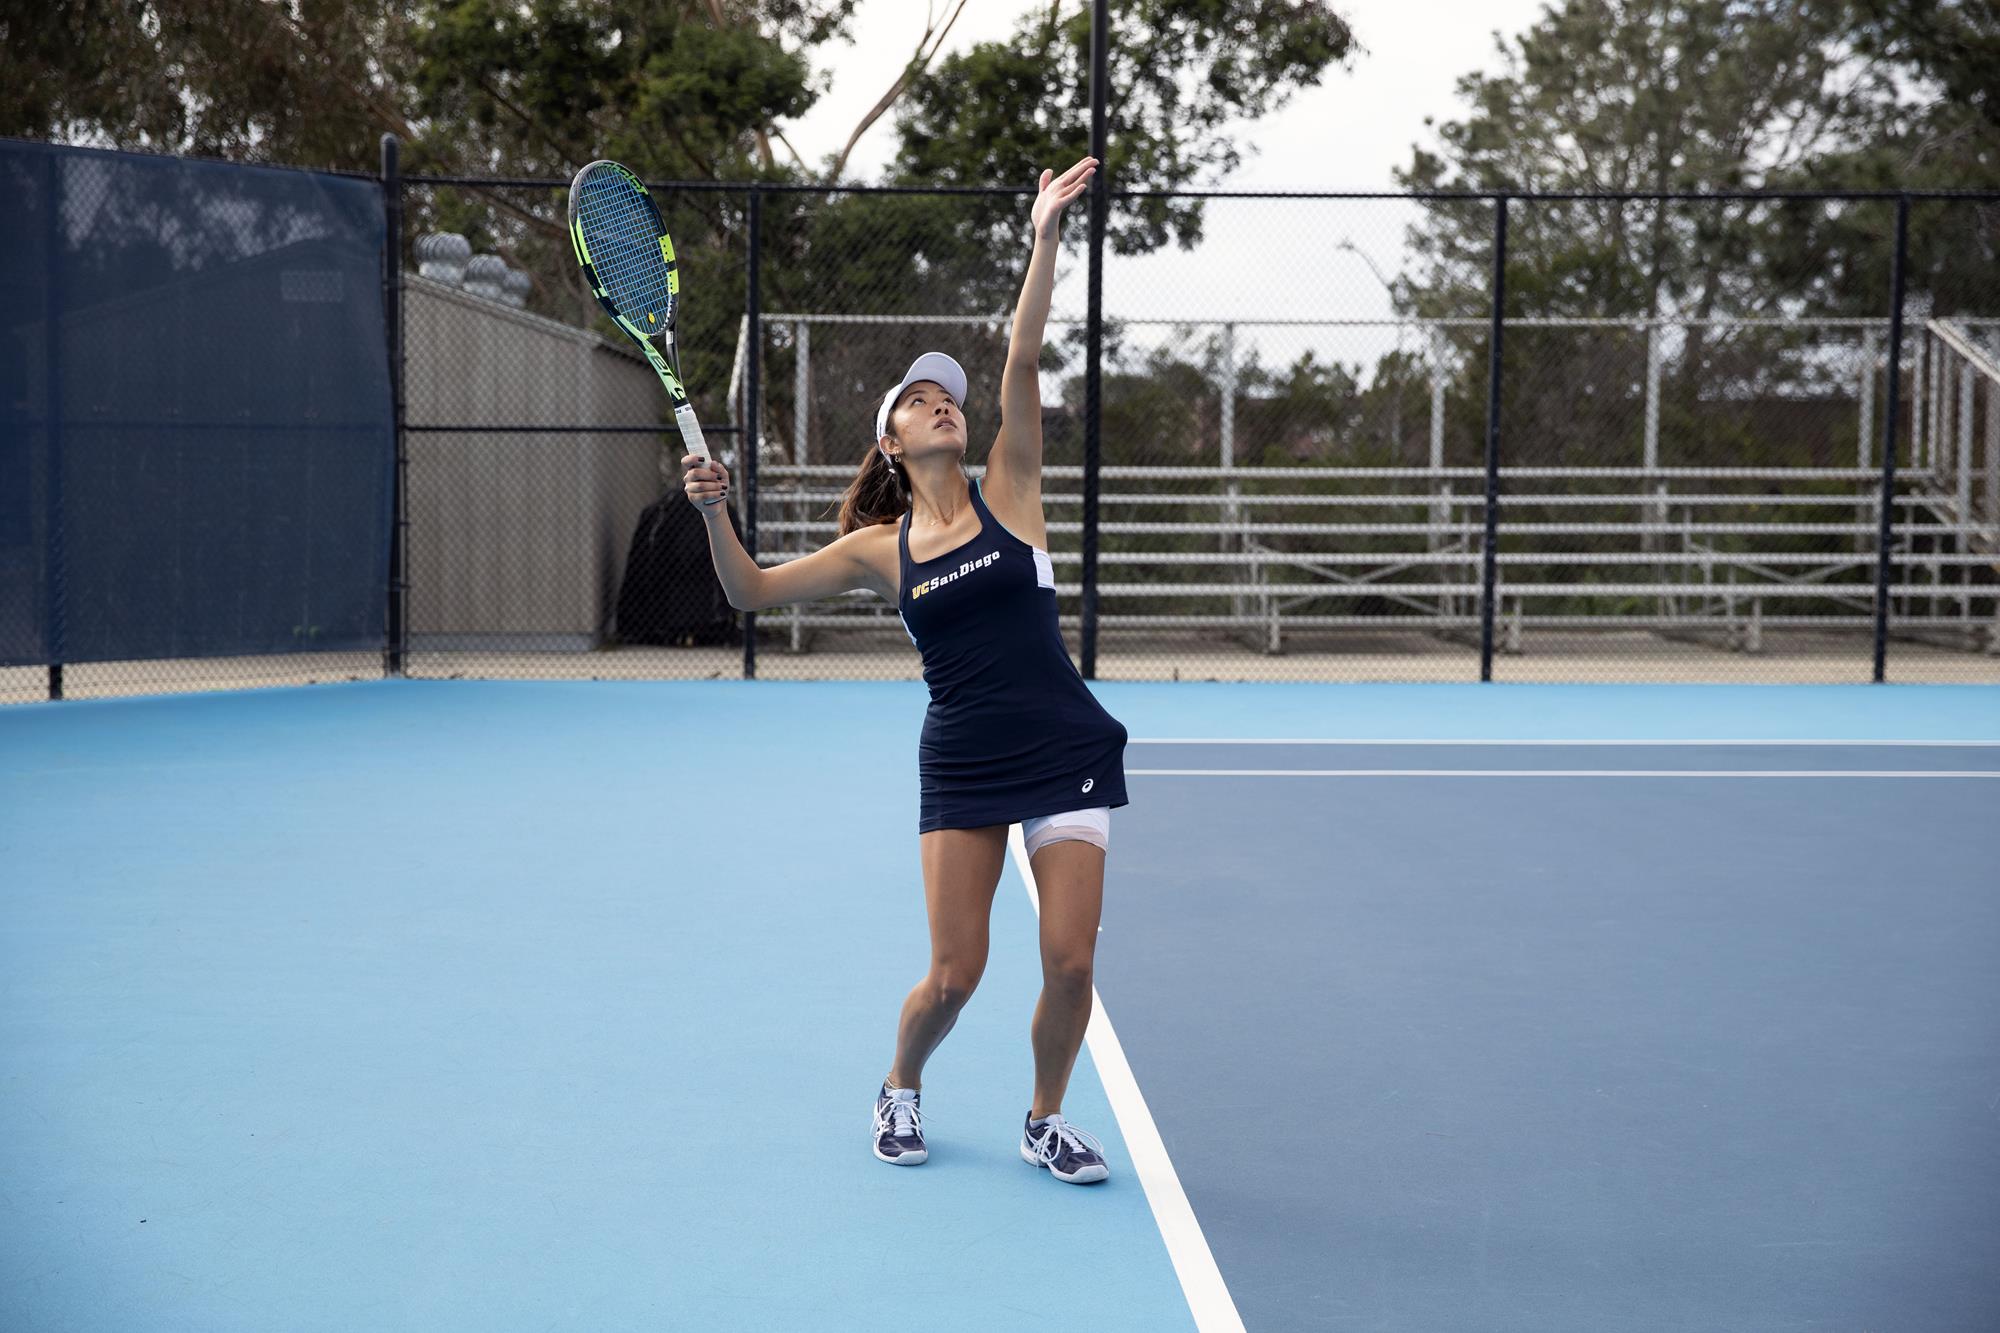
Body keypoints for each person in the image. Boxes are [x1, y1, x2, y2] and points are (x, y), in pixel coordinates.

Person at [681, 157, 1124, 1185]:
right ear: (889, 439)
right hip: (965, 759)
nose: (944, 406)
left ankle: (1043, 1117)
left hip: (1062, 743)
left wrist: (1044, 234)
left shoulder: (1010, 494)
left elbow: (1020, 360)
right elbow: (748, 593)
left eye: (948, 400)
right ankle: (900, 1083)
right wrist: (712, 509)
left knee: (1069, 961)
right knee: (953, 976)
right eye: (921, 400)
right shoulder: (883, 549)